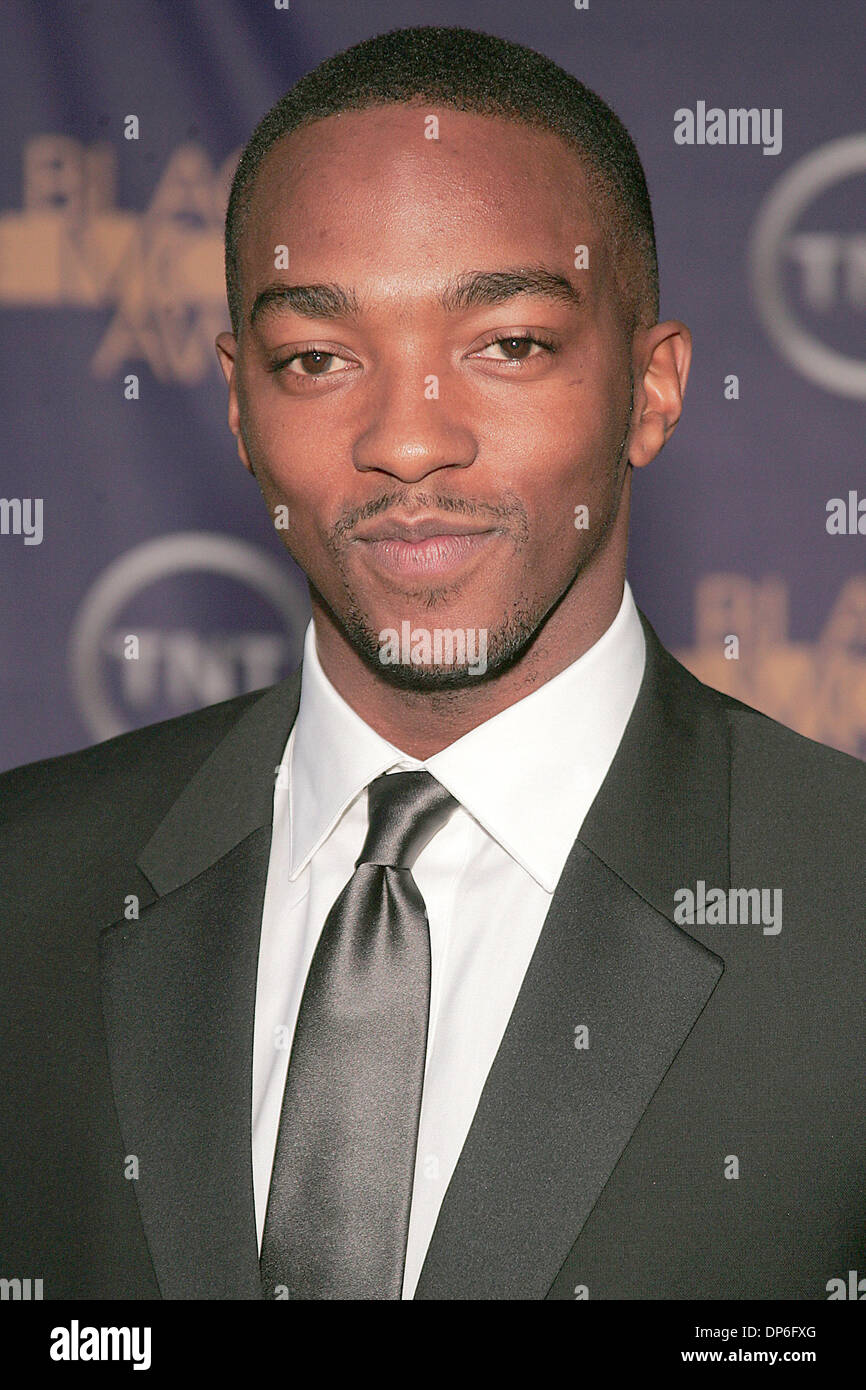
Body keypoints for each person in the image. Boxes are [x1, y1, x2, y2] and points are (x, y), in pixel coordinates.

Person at [1, 25, 863, 1302]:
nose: (407, 442)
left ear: (650, 389)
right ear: (237, 404)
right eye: (317, 358)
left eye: (506, 344)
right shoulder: (24, 884)